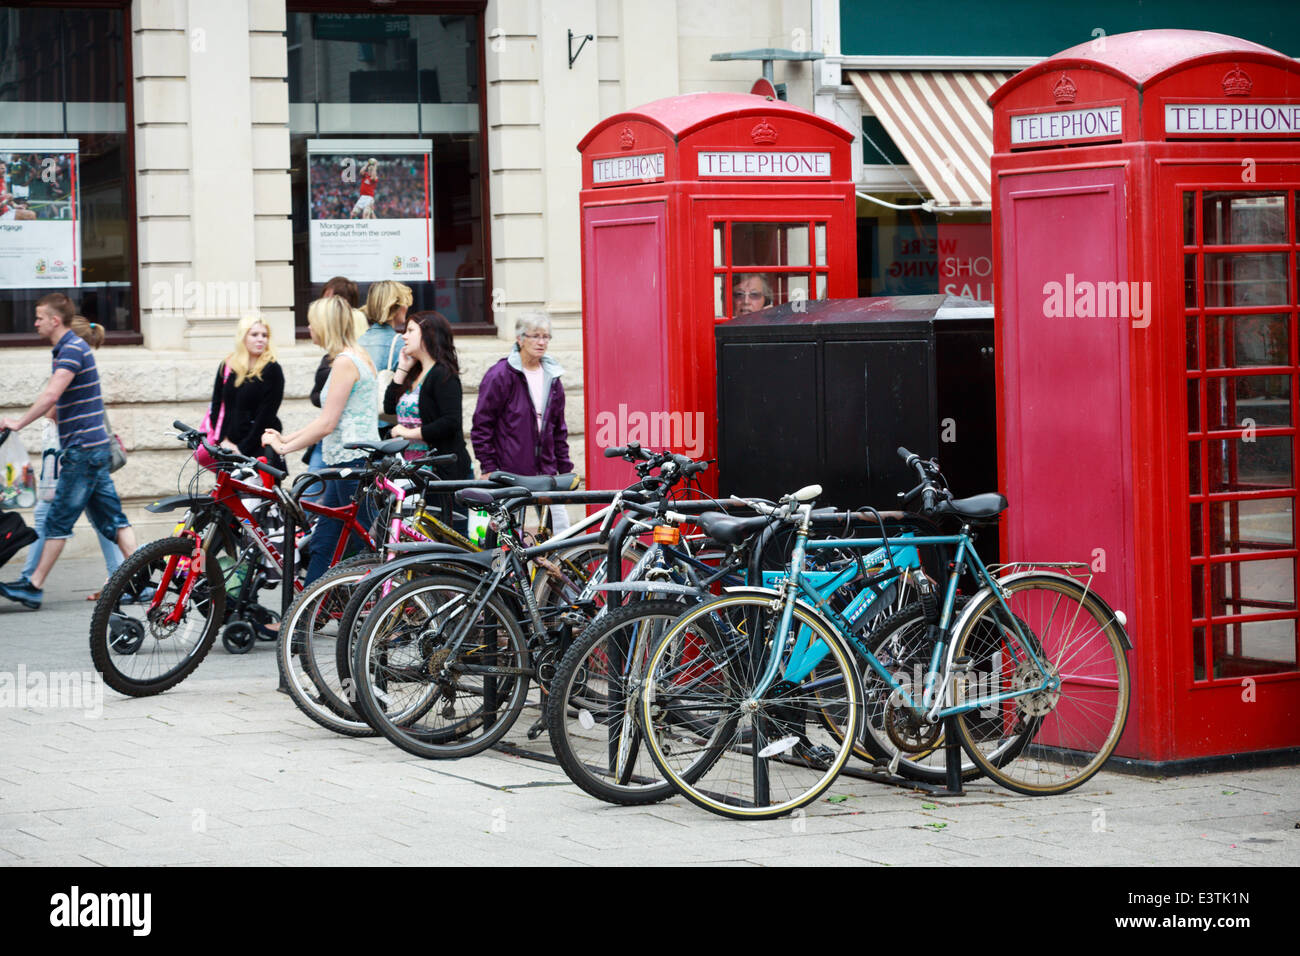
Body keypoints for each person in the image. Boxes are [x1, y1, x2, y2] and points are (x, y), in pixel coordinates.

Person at [0, 294, 136, 610]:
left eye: (39, 317)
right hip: (90, 449)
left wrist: (18, 423)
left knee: (58, 522)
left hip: (84, 452)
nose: (35, 323)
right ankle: (140, 578)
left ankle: (33, 586)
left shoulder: (72, 349)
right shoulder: (66, 349)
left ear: (54, 320)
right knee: (114, 520)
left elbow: (51, 395)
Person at [261, 296, 379, 583]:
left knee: (366, 542)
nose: (309, 328)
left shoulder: (345, 362)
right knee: (326, 542)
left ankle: (393, 606)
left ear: (325, 326)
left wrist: (285, 447)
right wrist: (287, 438)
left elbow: (327, 423)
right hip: (346, 461)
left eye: (312, 323)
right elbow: (327, 419)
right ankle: (309, 614)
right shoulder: (355, 355)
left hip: (352, 463)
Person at [471, 311, 574, 532]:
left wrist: (565, 470)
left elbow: (558, 430)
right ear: (520, 339)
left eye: (546, 337)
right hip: (509, 473)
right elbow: (482, 426)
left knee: (561, 529)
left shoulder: (552, 377)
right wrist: (488, 467)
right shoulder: (500, 375)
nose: (541, 342)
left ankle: (558, 567)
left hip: (546, 473)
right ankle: (505, 568)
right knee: (506, 533)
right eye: (535, 336)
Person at [386, 310, 472, 475]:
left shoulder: (443, 374)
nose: (404, 336)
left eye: (410, 331)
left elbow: (450, 422)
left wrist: (408, 433)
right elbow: (389, 407)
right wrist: (402, 369)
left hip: (440, 471)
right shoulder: (413, 373)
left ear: (428, 334)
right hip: (412, 470)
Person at [207, 315, 285, 468]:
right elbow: (216, 404)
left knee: (257, 491)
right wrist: (224, 440)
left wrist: (242, 449)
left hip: (259, 446)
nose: (261, 339)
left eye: (265, 335)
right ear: (243, 337)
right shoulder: (228, 364)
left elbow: (267, 414)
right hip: (228, 445)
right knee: (227, 491)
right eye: (254, 335)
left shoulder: (272, 369)